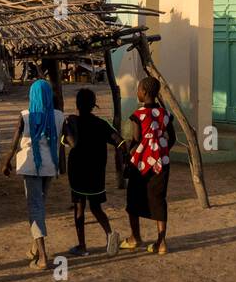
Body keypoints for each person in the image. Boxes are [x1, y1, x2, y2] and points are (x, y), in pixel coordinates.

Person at [2, 79, 65, 270]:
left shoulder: (25, 116)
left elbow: (14, 143)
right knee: (40, 205)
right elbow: (66, 142)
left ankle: (43, 257)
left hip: (30, 167)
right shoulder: (59, 116)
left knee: (35, 208)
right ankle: (35, 248)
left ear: (32, 96)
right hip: (49, 166)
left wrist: (6, 162)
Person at [62, 88, 123, 257]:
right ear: (93, 105)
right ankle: (110, 235)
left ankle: (82, 246)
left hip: (78, 173)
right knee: (96, 207)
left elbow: (69, 142)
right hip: (97, 173)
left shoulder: (72, 122)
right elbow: (119, 140)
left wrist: (67, 126)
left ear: (77, 105)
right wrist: (125, 154)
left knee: (79, 208)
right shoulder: (101, 123)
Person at [121, 76, 176, 254]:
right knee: (159, 199)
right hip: (161, 163)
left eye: (138, 89)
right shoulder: (165, 114)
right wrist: (160, 150)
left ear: (143, 92)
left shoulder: (139, 115)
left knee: (133, 199)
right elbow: (172, 138)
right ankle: (161, 242)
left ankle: (135, 237)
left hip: (141, 164)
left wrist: (129, 154)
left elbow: (136, 140)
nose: (137, 92)